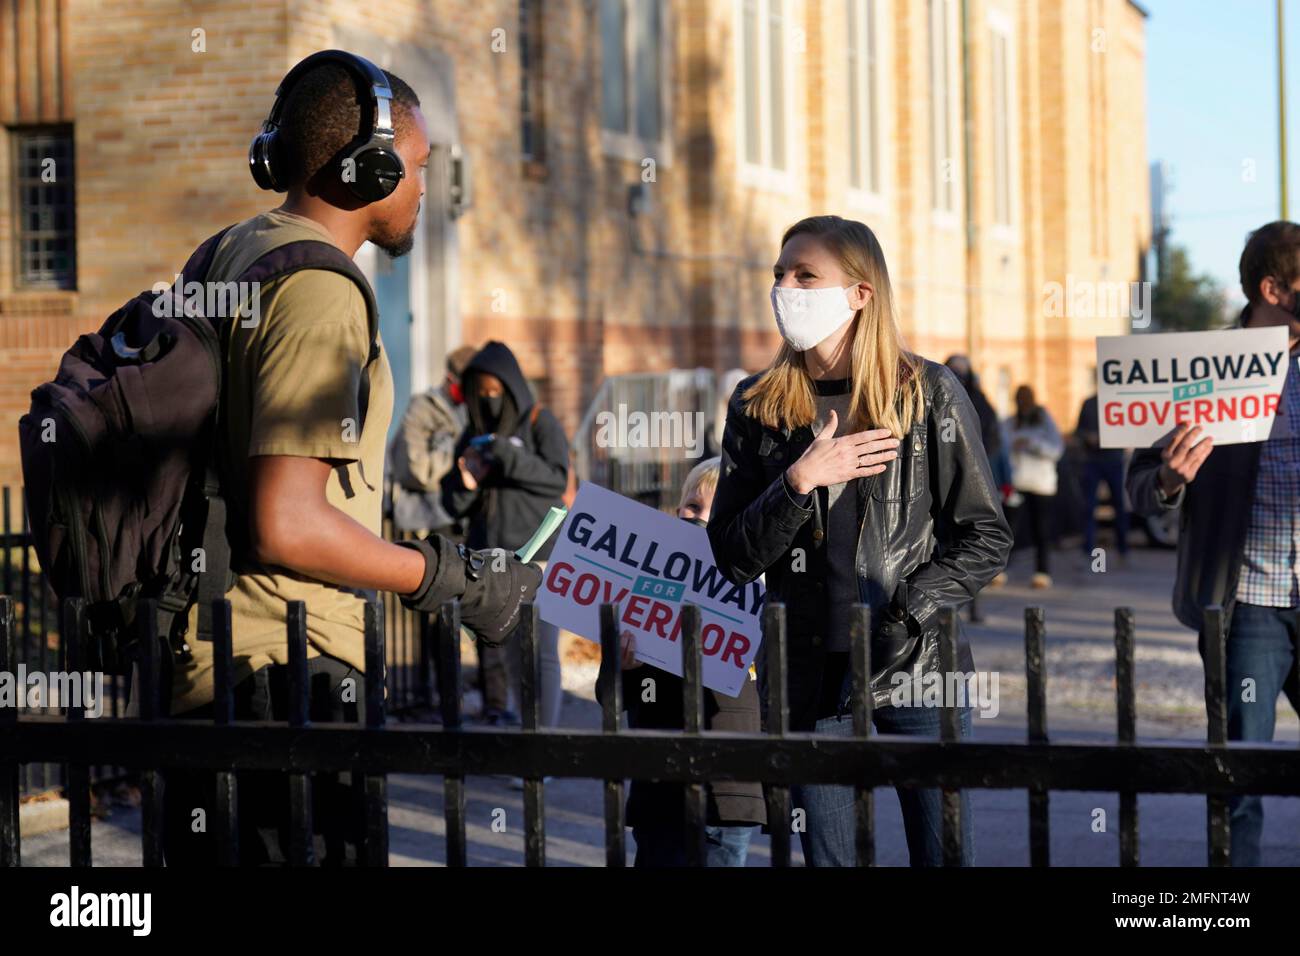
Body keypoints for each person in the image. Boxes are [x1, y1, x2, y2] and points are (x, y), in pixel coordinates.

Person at [160, 52, 541, 866]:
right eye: (418, 165)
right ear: (369, 164)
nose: (424, 187)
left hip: (210, 676)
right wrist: (453, 581)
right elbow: (286, 522)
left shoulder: (230, 252)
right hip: (285, 679)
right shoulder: (320, 289)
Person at [706, 215, 1012, 866]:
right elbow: (732, 556)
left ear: (861, 293)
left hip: (918, 675)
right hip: (810, 684)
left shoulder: (925, 394)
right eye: (779, 274)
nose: (785, 287)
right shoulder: (757, 404)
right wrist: (798, 481)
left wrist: (908, 611)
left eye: (805, 275)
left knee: (943, 856)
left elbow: (985, 533)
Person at [1128, 220, 1300, 866]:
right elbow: (1140, 486)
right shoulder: (1201, 369)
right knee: (1237, 780)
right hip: (1246, 606)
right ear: (1273, 289)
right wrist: (1171, 478)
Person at [596, 457, 766, 866]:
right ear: (676, 511)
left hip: (726, 793)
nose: (699, 520)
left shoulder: (759, 591)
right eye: (692, 507)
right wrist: (625, 666)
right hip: (659, 788)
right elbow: (609, 697)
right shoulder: (640, 595)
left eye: (716, 512)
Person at [442, 341, 569, 730]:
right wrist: (466, 481)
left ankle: (544, 746)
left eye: (496, 392)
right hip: (490, 561)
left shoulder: (539, 422)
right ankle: (526, 738)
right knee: (512, 657)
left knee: (541, 654)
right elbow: (453, 502)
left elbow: (556, 479)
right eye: (481, 394)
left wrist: (507, 454)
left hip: (537, 557)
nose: (489, 401)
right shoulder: (471, 433)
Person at [388, 344, 478, 536]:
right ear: (451, 380)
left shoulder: (471, 410)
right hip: (428, 519)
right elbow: (417, 470)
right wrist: (461, 461)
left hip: (465, 514)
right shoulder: (422, 409)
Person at [1002, 385, 1064, 589]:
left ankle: (1042, 572)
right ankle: (1001, 570)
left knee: (1041, 529)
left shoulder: (1044, 421)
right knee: (1008, 528)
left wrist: (1032, 444)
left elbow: (1057, 450)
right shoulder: (1011, 423)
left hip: (1041, 484)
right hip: (1017, 483)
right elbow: (1001, 447)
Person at [1075, 380, 1129, 565]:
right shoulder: (1089, 403)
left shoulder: (1120, 402)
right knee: (1089, 507)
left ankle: (1122, 550)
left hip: (1114, 459)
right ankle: (1088, 551)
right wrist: (1087, 437)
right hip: (1092, 460)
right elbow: (1078, 431)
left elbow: (1127, 429)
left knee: (1119, 506)